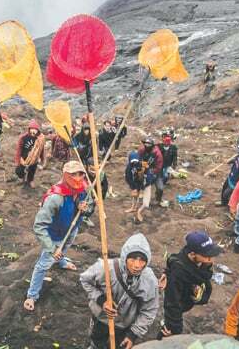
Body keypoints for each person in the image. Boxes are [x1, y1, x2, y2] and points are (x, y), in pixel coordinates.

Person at [23, 161, 91, 311]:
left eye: (80, 174)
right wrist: (52, 248)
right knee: (44, 265)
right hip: (54, 235)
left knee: (65, 248)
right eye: (73, 174)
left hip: (71, 228)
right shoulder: (55, 197)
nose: (78, 178)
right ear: (65, 175)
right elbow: (39, 226)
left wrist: (84, 207)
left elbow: (90, 204)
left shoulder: (84, 188)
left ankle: (61, 262)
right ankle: (32, 295)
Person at [80, 233, 160, 349]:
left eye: (142, 260)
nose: (137, 265)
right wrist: (102, 301)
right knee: (96, 343)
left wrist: (133, 334)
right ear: (125, 257)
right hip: (100, 318)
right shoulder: (106, 268)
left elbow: (149, 310)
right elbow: (85, 280)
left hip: (124, 326)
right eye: (132, 259)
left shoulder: (150, 281)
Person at [159, 230, 221, 338]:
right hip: (179, 303)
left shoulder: (198, 260)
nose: (211, 259)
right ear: (192, 254)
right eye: (207, 255)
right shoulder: (178, 273)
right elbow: (172, 302)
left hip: (188, 296)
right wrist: (175, 329)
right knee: (167, 335)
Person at [134, 137, 162, 222]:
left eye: (149, 144)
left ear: (152, 145)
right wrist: (140, 167)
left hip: (155, 172)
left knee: (160, 187)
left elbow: (159, 167)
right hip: (143, 172)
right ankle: (137, 209)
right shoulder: (142, 150)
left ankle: (158, 200)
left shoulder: (157, 154)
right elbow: (137, 159)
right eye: (145, 144)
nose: (147, 145)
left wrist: (150, 171)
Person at [14, 120, 46, 189]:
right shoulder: (23, 138)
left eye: (35, 130)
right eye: (31, 129)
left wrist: (42, 158)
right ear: (29, 129)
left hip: (34, 159)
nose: (33, 131)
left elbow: (41, 149)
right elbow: (19, 150)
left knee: (32, 170)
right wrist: (19, 160)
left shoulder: (40, 138)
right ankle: (22, 177)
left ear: (38, 130)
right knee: (20, 170)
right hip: (24, 158)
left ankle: (30, 180)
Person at [156, 130, 178, 208]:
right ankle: (159, 186)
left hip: (167, 165)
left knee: (165, 176)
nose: (166, 144)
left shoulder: (173, 148)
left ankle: (161, 184)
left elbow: (175, 157)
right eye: (165, 142)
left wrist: (174, 166)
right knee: (160, 176)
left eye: (168, 142)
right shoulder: (159, 146)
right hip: (159, 165)